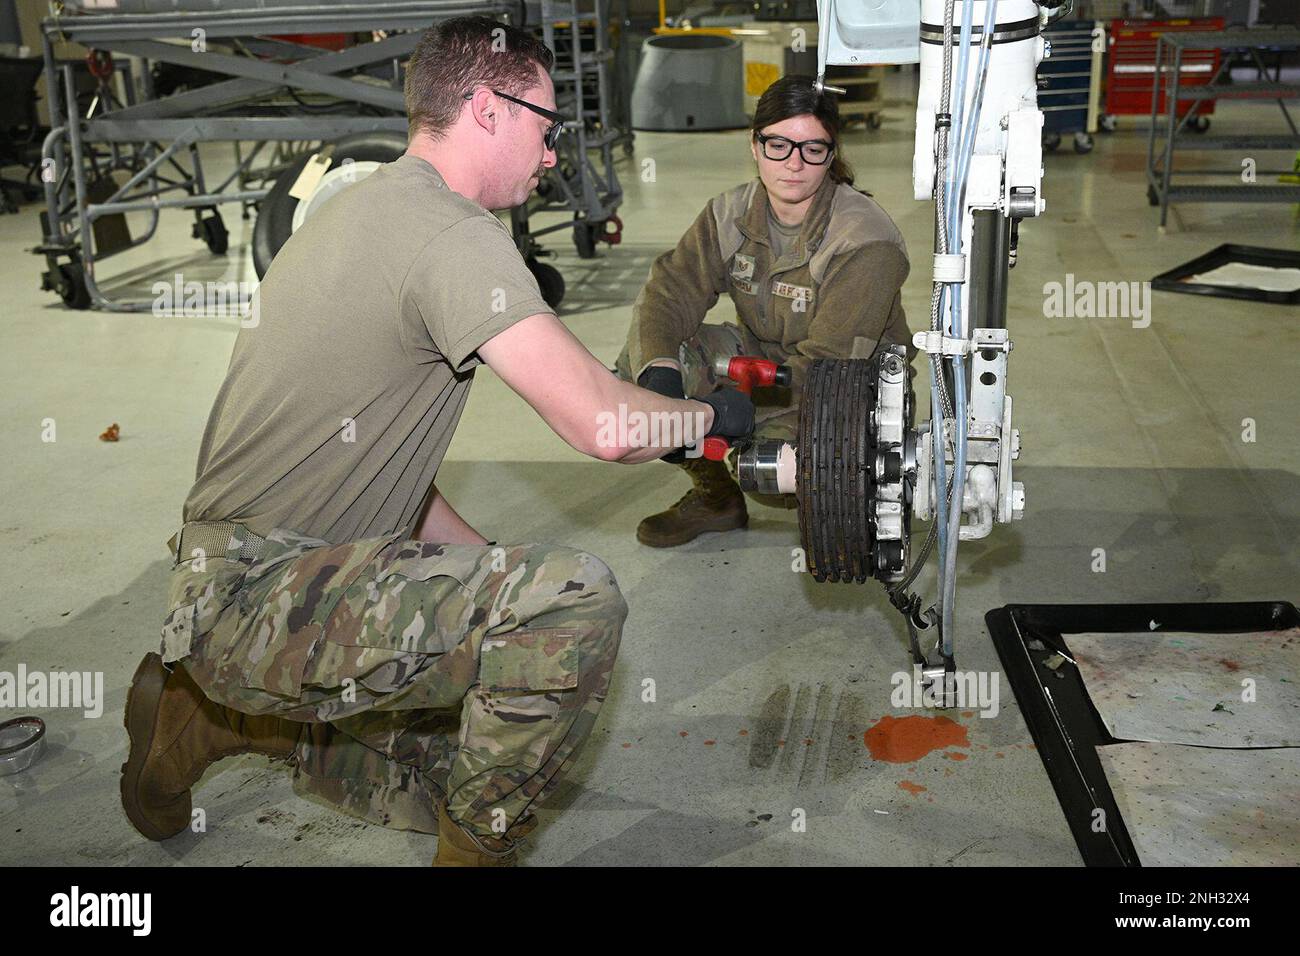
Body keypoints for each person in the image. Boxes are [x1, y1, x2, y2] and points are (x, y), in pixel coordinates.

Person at [119, 16, 753, 867]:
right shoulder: (455, 235)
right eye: (546, 124)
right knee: (571, 604)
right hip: (256, 597)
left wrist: (488, 576)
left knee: (463, 749)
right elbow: (604, 426)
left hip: (244, 585)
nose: (554, 152)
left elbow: (386, 470)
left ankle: (207, 720)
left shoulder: (366, 207)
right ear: (489, 110)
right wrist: (709, 417)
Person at [617, 75, 913, 547]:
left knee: (769, 466)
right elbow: (669, 294)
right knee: (642, 368)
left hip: (851, 384)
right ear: (754, 147)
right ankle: (716, 499)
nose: (794, 164)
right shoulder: (729, 214)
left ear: (831, 155)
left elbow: (832, 362)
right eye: (778, 144)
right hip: (760, 362)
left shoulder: (864, 238)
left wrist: (730, 408)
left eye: (813, 148)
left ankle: (860, 491)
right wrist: (662, 386)